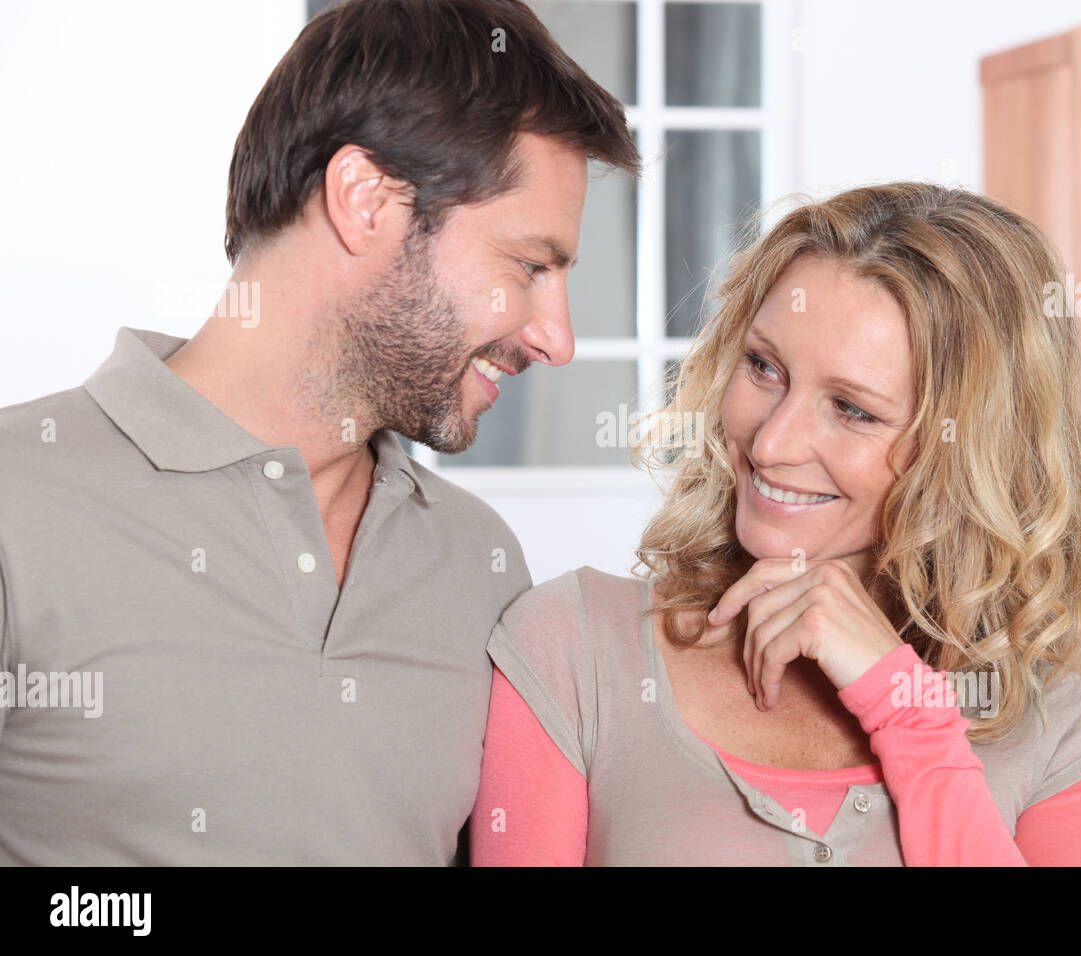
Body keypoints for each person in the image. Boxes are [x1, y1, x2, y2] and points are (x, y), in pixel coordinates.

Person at [0, 0, 637, 864]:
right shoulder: (18, 501)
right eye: (529, 266)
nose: (556, 339)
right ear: (367, 200)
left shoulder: (477, 559)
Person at [470, 183, 1081, 866]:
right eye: (764, 367)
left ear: (971, 451)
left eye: (851, 408)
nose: (771, 444)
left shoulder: (1053, 727)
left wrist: (905, 709)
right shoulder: (574, 647)